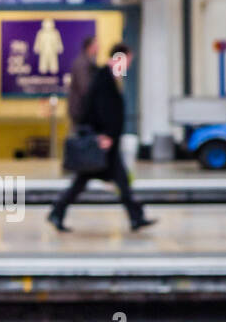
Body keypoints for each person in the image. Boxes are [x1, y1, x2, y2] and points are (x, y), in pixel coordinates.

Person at [48, 43, 154, 233]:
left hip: (108, 142)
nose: (129, 64)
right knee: (93, 180)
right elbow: (99, 110)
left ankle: (136, 217)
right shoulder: (104, 78)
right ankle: (58, 210)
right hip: (104, 142)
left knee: (111, 181)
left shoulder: (110, 78)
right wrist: (102, 136)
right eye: (128, 60)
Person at [66, 36, 97, 125]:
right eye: (96, 45)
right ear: (90, 47)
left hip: (82, 110)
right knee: (79, 136)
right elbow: (84, 87)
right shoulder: (82, 63)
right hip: (80, 110)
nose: (99, 48)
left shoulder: (89, 62)